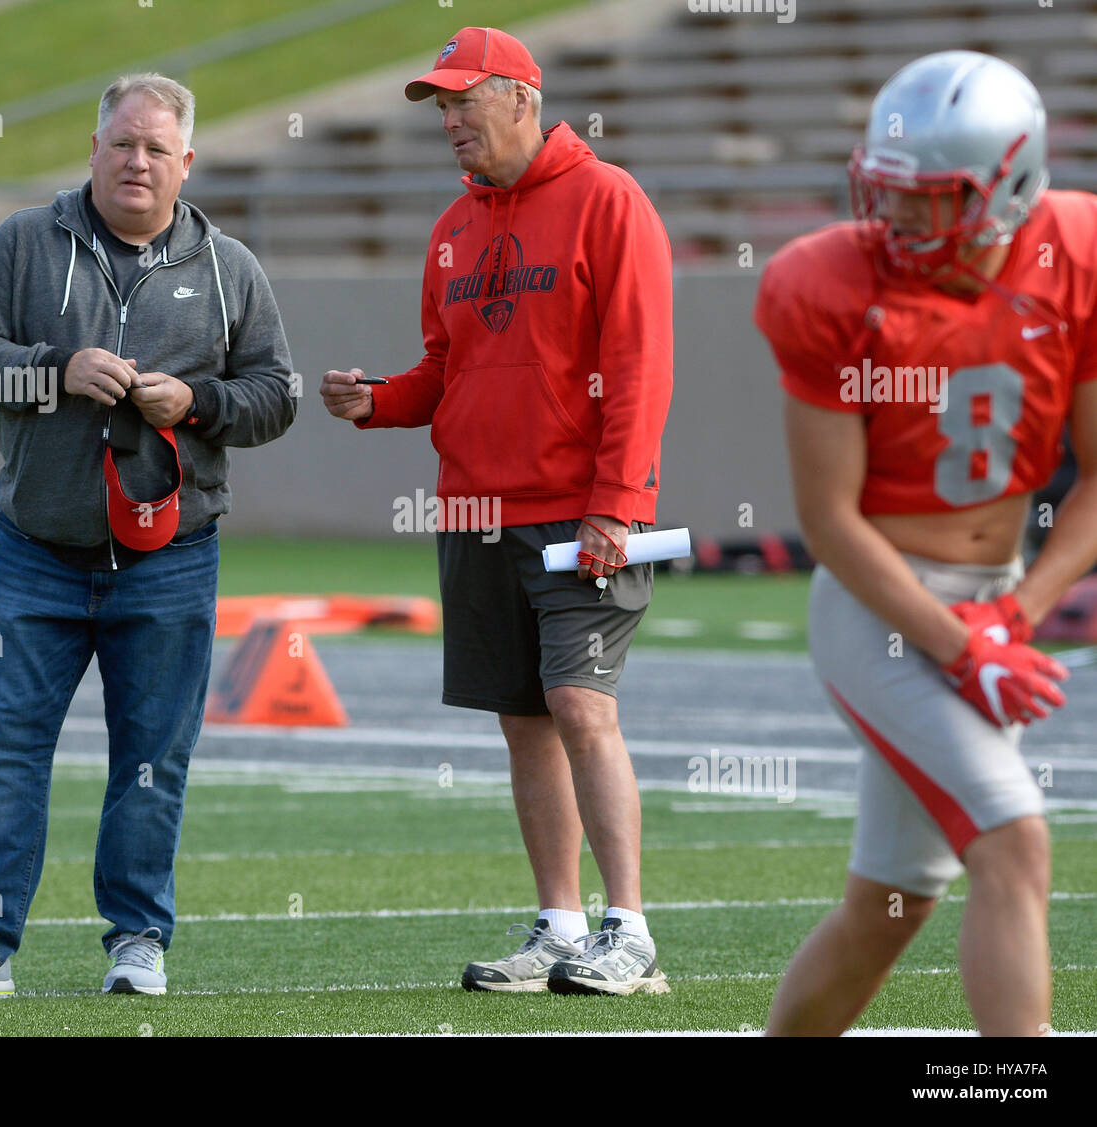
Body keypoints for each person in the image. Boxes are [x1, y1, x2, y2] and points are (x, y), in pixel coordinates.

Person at [0, 73, 296, 998]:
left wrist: (196, 401)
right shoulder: (23, 244)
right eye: (122, 142)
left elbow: (276, 398)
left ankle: (138, 940)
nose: (137, 160)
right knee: (9, 749)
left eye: (157, 148)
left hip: (171, 557)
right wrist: (54, 370)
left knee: (153, 757)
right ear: (93, 149)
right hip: (35, 549)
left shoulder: (230, 266)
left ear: (185, 162)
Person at [320, 27, 674, 995]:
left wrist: (618, 506)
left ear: (521, 96)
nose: (447, 121)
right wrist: (378, 400)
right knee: (524, 719)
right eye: (438, 105)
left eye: (461, 101)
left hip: (581, 515)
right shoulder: (451, 228)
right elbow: (446, 370)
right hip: (475, 511)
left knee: (579, 705)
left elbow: (641, 367)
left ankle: (629, 928)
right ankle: (559, 924)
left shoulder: (609, 200)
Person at [753, 50, 1097, 1035]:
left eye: (933, 199)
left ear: (1012, 185)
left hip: (992, 598)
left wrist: (1010, 616)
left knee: (888, 909)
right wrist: (962, 644)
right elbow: (829, 520)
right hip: (881, 609)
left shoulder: (1072, 251)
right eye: (888, 194)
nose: (899, 220)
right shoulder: (826, 283)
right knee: (1015, 843)